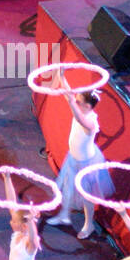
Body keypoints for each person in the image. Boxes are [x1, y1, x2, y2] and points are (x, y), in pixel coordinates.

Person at [45, 67, 114, 239]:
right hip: (73, 158)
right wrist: (61, 75)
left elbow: (77, 117)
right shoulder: (80, 109)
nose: (75, 100)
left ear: (87, 106)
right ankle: (64, 215)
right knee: (68, 188)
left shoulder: (90, 122)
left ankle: (89, 225)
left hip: (86, 163)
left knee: (86, 196)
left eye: (79, 100)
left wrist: (70, 101)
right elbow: (69, 94)